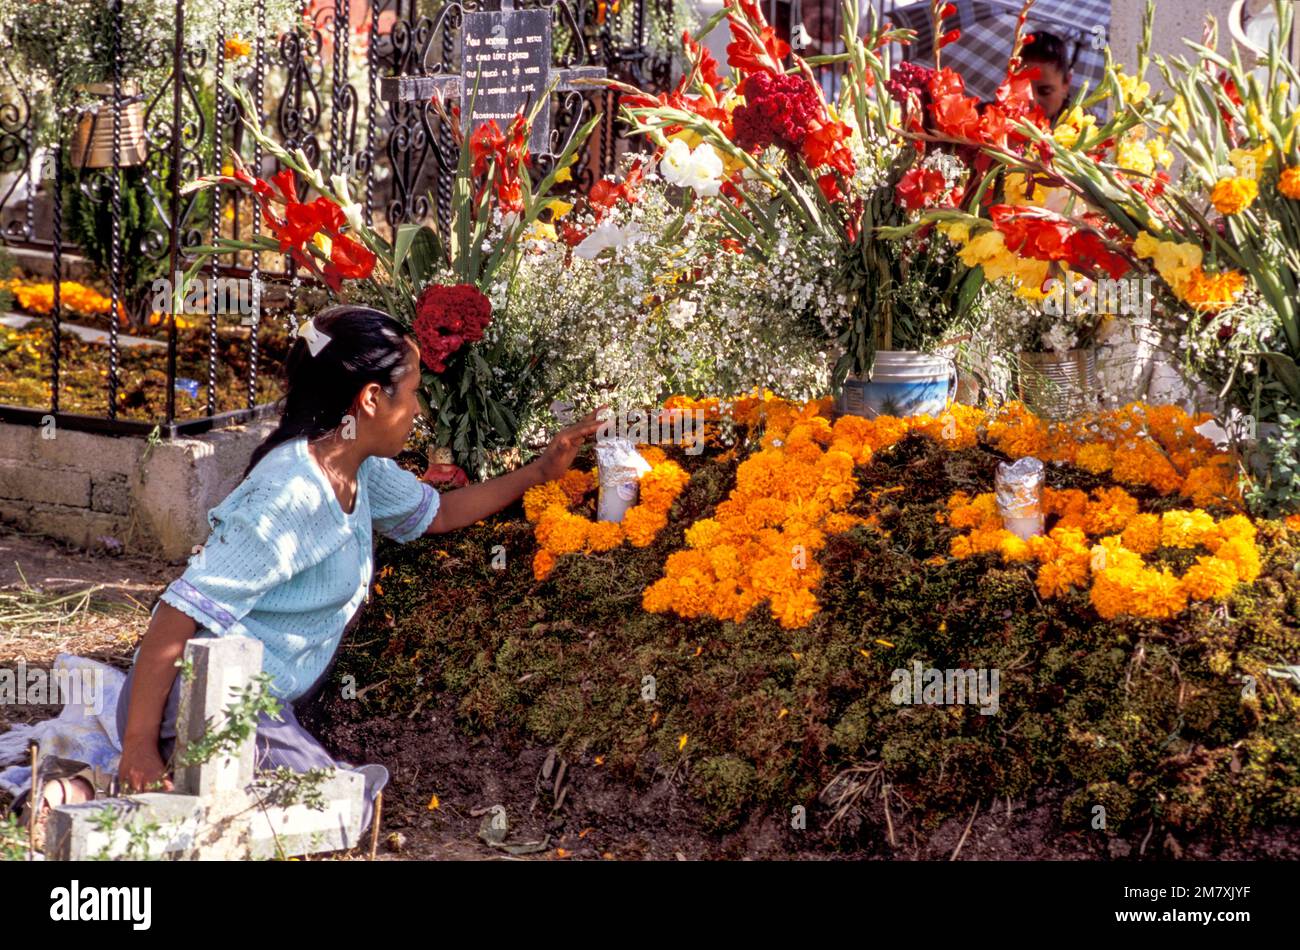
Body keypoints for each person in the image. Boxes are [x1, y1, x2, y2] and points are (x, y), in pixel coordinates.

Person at [21, 304, 604, 846]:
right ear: (371, 399)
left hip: (261, 708)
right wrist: (141, 747)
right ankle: (92, 794)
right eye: (415, 394)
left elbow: (439, 512)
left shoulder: (355, 467)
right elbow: (177, 616)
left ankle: (91, 788)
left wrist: (540, 471)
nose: (420, 409)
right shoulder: (289, 493)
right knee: (328, 808)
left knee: (323, 806)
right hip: (206, 703)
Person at [1019, 30, 1074, 124]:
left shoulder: (1085, 133)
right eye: (1022, 90)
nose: (1033, 102)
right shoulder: (987, 121)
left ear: (1066, 84)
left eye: (1045, 91)